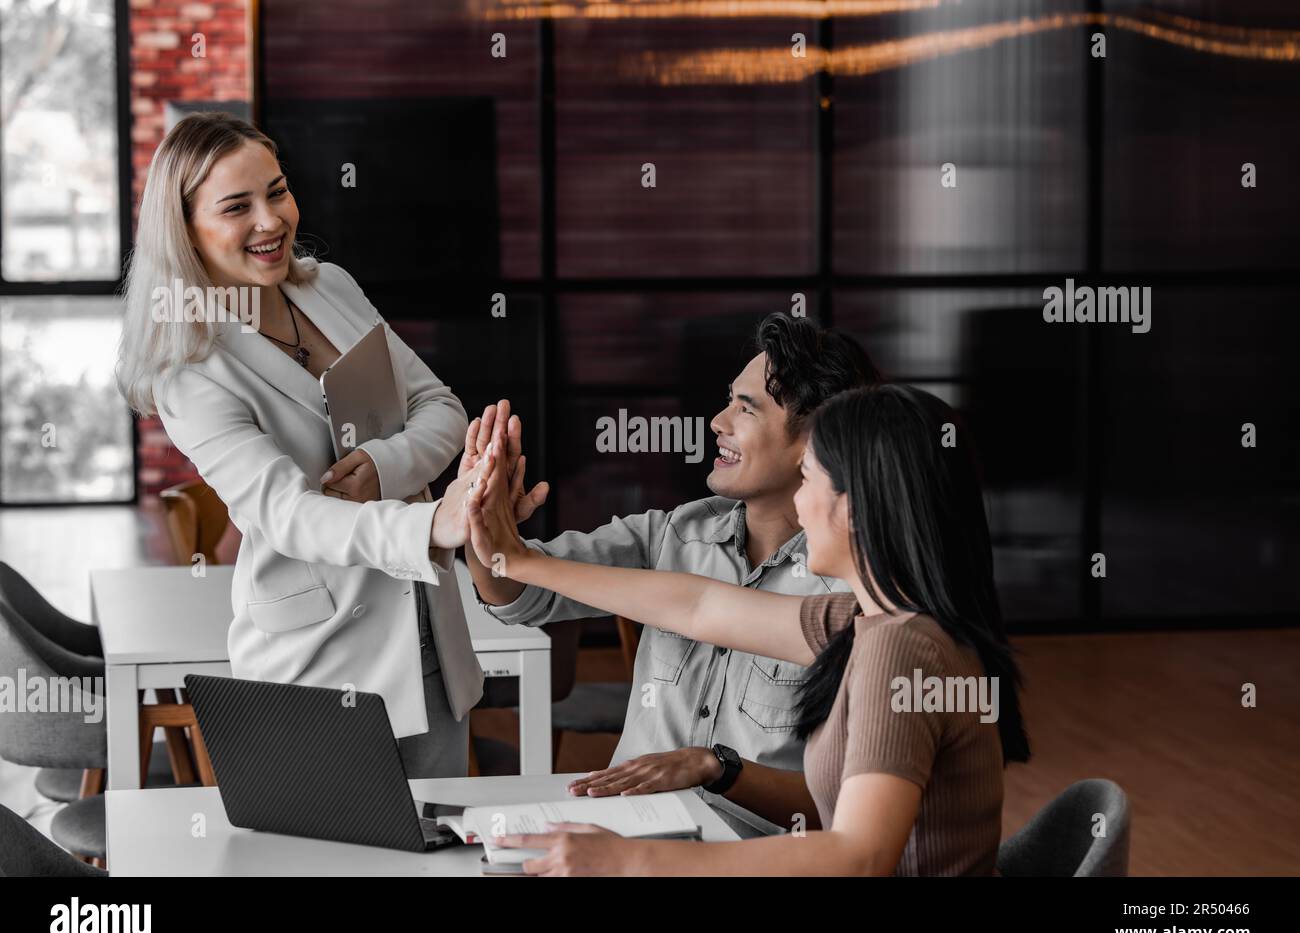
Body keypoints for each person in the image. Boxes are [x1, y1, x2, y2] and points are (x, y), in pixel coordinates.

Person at [465, 384, 1031, 875]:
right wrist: (512, 560)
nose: (799, 505)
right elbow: (698, 608)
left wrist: (629, 862)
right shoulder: (870, 621)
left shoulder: (902, 650)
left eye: (808, 479)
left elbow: (858, 858)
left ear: (854, 508)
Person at [116, 112, 483, 777]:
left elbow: (442, 407)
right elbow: (284, 515)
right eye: (237, 207)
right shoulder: (190, 366)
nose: (271, 220)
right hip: (317, 666)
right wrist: (432, 520)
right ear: (186, 231)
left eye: (277, 191)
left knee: (443, 859)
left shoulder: (330, 287)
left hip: (431, 640)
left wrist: (381, 465)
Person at [451, 315, 879, 837]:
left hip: (752, 857)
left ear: (816, 441)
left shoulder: (855, 593)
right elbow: (520, 596)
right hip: (623, 834)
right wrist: (481, 524)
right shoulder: (674, 532)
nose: (717, 422)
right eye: (728, 400)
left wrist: (717, 767)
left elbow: (847, 810)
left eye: (746, 409)